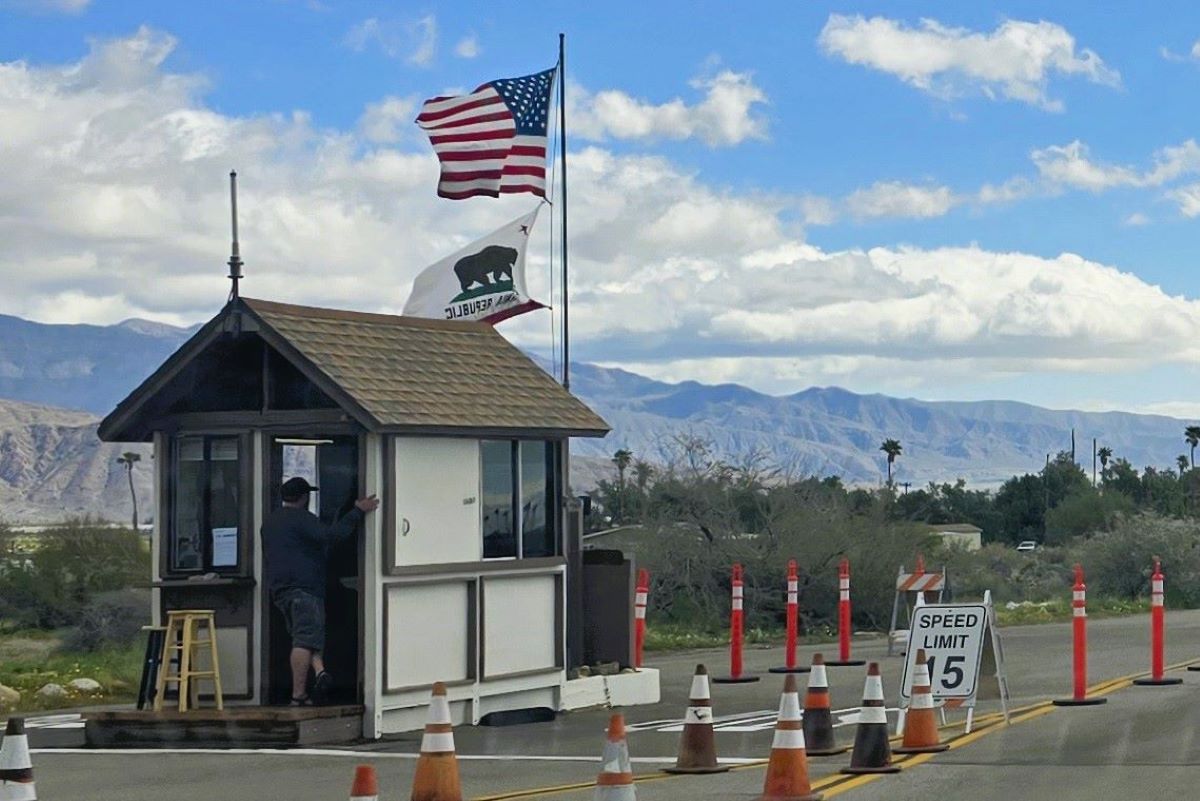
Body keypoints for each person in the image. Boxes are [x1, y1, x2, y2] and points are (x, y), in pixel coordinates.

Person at [262, 476, 379, 705]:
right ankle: (298, 695)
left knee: (306, 636)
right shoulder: (303, 519)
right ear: (304, 498)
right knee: (304, 640)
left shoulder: (270, 522)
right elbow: (332, 536)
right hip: (305, 589)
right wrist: (357, 512)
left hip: (280, 590)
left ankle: (320, 672)